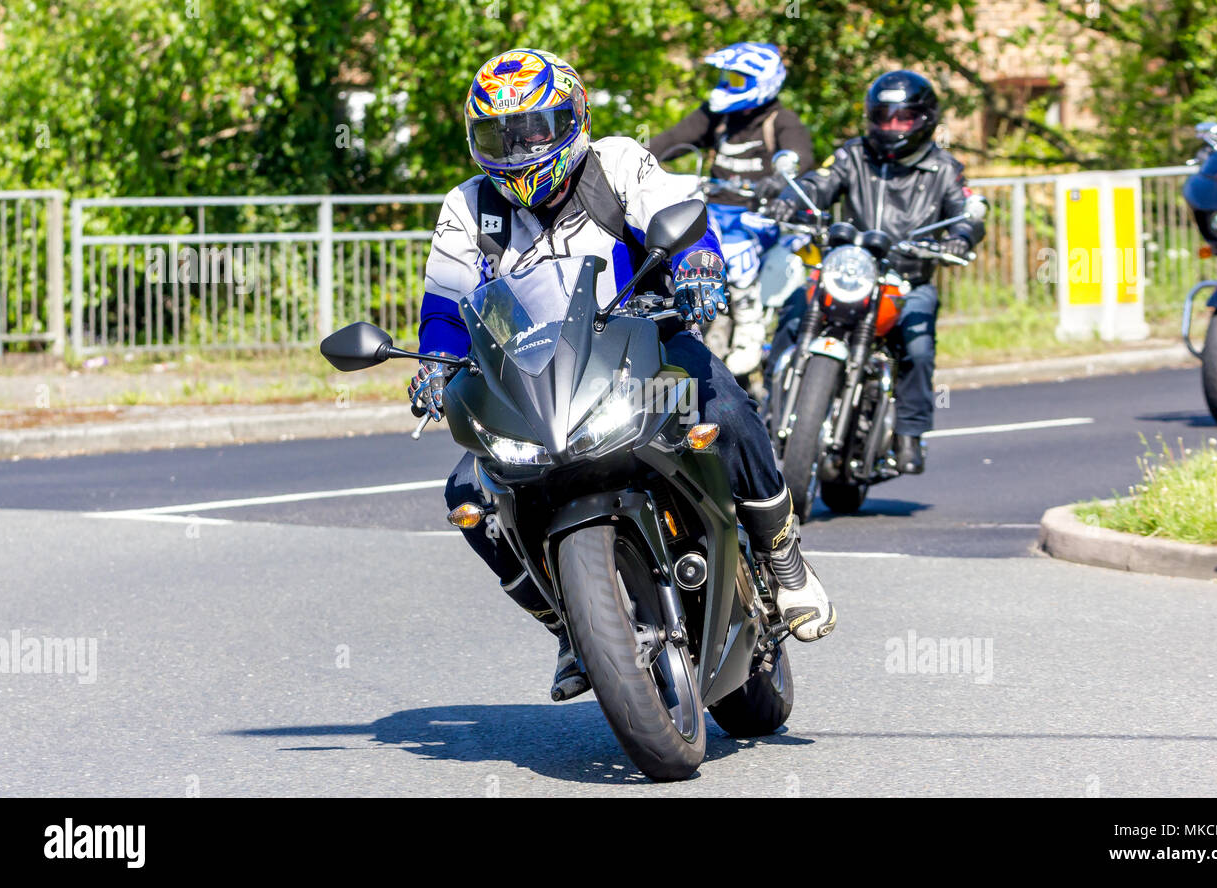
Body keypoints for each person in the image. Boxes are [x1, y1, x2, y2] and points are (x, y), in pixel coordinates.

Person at [410, 48, 836, 702]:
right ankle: (567, 625)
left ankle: (782, 557)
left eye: (534, 128)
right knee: (469, 497)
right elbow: (445, 301)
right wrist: (437, 363)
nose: (520, 149)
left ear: (573, 115)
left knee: (726, 411)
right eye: (502, 135)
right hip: (534, 380)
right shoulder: (469, 208)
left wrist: (698, 265)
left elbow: (683, 214)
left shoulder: (616, 161)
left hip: (645, 340)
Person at [765, 70, 984, 475]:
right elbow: (821, 180)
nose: (892, 126)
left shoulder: (944, 168)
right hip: (849, 271)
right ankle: (766, 407)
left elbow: (966, 211)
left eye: (903, 118)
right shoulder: (853, 154)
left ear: (924, 120)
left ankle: (909, 434)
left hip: (905, 279)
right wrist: (792, 199)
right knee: (795, 311)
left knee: (917, 348)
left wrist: (962, 235)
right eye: (884, 117)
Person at [647, 42, 813, 378]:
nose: (725, 86)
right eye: (726, 77)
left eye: (736, 80)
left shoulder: (782, 120)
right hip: (715, 210)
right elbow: (672, 138)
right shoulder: (718, 116)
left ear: (763, 82)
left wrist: (780, 177)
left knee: (735, 246)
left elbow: (800, 158)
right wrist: (635, 158)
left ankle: (749, 330)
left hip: (760, 215)